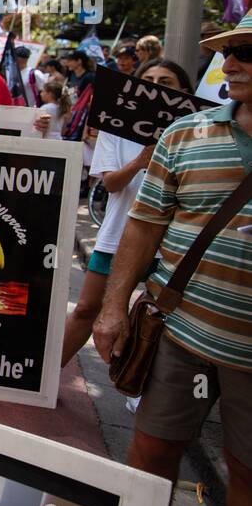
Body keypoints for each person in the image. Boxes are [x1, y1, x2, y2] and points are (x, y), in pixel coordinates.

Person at [93, 15, 252, 506]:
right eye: (226, 52)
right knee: (151, 454)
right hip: (178, 333)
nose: (228, 64)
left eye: (245, 52)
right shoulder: (183, 135)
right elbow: (143, 226)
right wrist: (113, 309)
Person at [60, 59, 194, 367]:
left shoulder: (196, 136)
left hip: (173, 245)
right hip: (117, 237)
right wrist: (140, 162)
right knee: (86, 309)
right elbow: (110, 184)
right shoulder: (115, 128)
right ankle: (45, 380)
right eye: (148, 79)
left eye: (167, 82)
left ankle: (139, 388)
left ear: (183, 92)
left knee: (161, 321)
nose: (156, 85)